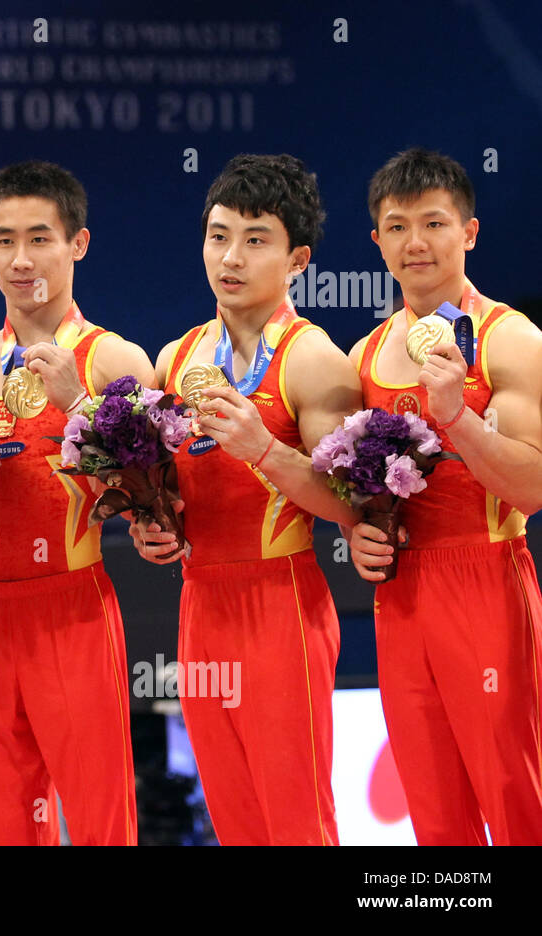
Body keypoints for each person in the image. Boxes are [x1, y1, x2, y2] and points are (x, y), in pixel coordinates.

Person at [0, 160, 154, 845]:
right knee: (4, 822)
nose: (23, 259)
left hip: (73, 609)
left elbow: (152, 503)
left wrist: (79, 401)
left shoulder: (113, 360)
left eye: (40, 238)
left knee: (102, 818)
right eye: (5, 240)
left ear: (77, 243)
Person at [131, 154, 359, 845]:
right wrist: (151, 520)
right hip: (200, 603)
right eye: (218, 235)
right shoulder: (176, 359)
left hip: (281, 603)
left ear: (298, 259)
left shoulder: (314, 358)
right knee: (233, 818)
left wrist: (265, 447)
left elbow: (353, 506)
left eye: (256, 239)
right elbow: (167, 488)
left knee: (294, 817)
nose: (230, 257)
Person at [347, 148, 542, 845]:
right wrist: (357, 529)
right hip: (401, 597)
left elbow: (532, 487)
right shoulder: (362, 356)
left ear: (471, 232)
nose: (416, 242)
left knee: (516, 794)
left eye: (434, 223)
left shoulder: (512, 340)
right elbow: (352, 488)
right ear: (377, 242)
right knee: (433, 812)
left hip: (486, 577)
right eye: (397, 227)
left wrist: (455, 414)